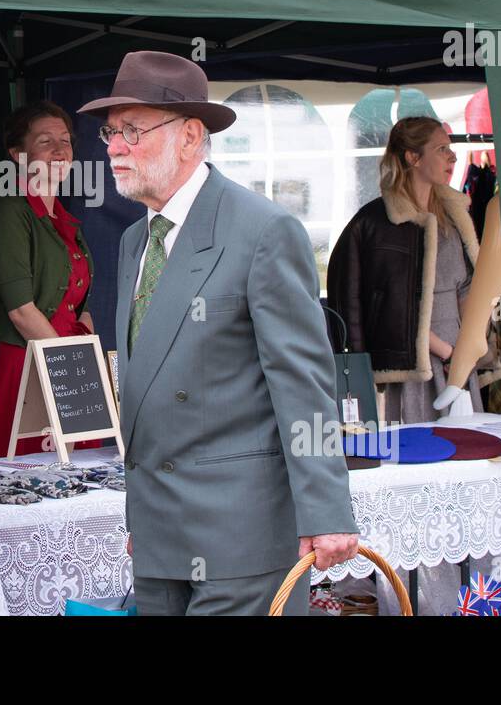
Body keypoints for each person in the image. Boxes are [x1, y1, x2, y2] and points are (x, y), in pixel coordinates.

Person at [79, 51, 358, 615]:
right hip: (160, 538)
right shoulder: (136, 241)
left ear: (189, 137)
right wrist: (144, 517)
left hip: (242, 539)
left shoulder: (262, 231)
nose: (113, 146)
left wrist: (327, 512)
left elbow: (303, 382)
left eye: (132, 130)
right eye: (112, 131)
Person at [327, 116, 501, 424]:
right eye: (441, 149)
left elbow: (468, 289)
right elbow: (389, 307)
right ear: (413, 157)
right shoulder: (375, 224)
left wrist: (469, 349)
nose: (452, 157)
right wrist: (446, 351)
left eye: (450, 149)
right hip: (412, 366)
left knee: (465, 452)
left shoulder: (455, 219)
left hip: (458, 361)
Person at [0, 101, 97, 457]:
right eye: (45, 141)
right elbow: (21, 312)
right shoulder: (9, 211)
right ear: (18, 154)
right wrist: (69, 372)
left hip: (73, 359)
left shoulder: (63, 218)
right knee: (35, 471)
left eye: (65, 140)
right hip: (33, 361)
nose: (60, 150)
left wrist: (84, 365)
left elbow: (81, 304)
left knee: (84, 471)